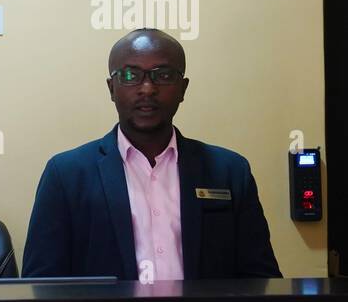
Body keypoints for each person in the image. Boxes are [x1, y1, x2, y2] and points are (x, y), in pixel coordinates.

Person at [22, 27, 280, 281]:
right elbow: (42, 286)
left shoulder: (229, 171)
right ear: (112, 88)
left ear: (183, 88)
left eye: (164, 75)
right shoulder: (66, 175)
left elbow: (260, 279)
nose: (147, 88)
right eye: (130, 75)